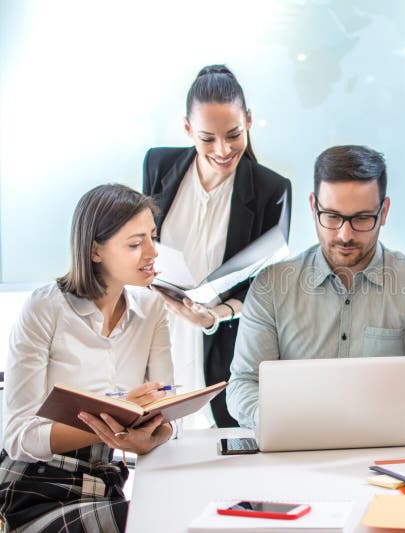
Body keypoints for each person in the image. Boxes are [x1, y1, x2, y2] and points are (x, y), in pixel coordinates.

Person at [227, 145, 405, 429]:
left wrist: (402, 418)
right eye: (332, 216)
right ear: (313, 207)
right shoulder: (270, 287)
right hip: (295, 450)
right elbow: (244, 384)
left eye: (361, 218)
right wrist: (276, 421)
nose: (344, 235)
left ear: (383, 212)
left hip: (388, 452)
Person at [0, 184, 175, 531]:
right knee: (155, 520)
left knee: (172, 512)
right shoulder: (45, 307)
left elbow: (168, 410)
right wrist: (114, 423)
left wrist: (150, 435)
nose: (152, 252)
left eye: (153, 237)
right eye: (135, 243)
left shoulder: (152, 309)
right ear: (95, 251)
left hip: (103, 485)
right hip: (35, 486)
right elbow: (17, 436)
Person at [143, 65, 292, 428]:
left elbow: (265, 285)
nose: (223, 150)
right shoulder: (157, 164)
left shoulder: (272, 190)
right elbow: (141, 240)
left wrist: (214, 316)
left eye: (233, 135)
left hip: (220, 343)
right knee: (158, 441)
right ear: (187, 128)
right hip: (158, 335)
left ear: (250, 121)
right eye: (207, 138)